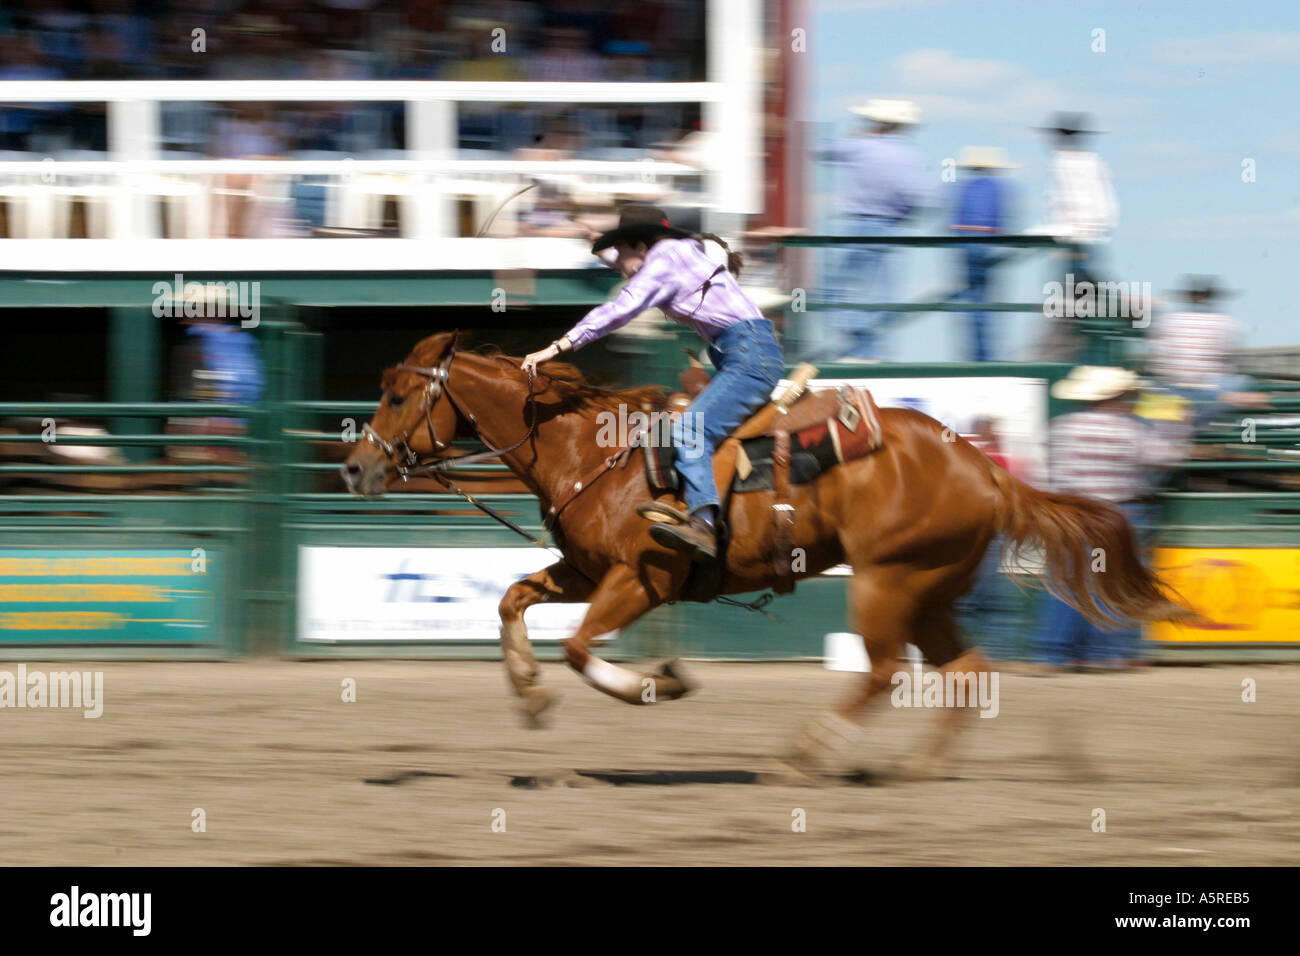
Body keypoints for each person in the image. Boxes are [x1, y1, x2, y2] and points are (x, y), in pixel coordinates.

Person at [522, 204, 783, 567]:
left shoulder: (662, 261)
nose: (624, 269)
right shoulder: (672, 253)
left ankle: (704, 524)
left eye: (624, 251)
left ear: (640, 245)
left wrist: (558, 346)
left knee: (690, 430)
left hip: (747, 354)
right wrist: (602, 245)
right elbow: (628, 264)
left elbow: (622, 307)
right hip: (746, 351)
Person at [1032, 366, 1179, 671]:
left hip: (1074, 514)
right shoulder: (1129, 428)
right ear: (1115, 397)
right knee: (1110, 581)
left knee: (1068, 582)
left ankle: (1056, 652)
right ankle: (1107, 652)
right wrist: (1169, 422)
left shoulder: (1063, 426)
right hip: (1116, 514)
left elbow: (1053, 474)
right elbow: (1164, 457)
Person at [818, 99, 929, 361]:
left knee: (837, 288)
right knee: (880, 291)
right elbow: (920, 196)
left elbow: (824, 151)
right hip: (889, 227)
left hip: (855, 224)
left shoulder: (860, 146)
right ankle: (871, 352)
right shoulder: (909, 155)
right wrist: (902, 215)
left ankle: (855, 348)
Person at [1031, 113, 1119, 362]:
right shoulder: (1092, 162)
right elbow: (1102, 204)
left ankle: (1070, 355)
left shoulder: (1065, 163)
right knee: (1080, 300)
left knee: (1070, 300)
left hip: (1075, 240)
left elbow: (1069, 204)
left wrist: (1072, 237)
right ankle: (1081, 353)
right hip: (1085, 239)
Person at [1147, 276, 1264, 434]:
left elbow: (1157, 362)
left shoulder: (1166, 321)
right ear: (1211, 298)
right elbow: (1229, 364)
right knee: (1242, 382)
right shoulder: (1228, 323)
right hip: (1209, 394)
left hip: (1170, 391)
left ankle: (1187, 423)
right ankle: (1205, 426)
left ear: (1187, 297)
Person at [950, 147, 1017, 362]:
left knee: (973, 301)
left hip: (968, 243)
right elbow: (1002, 218)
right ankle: (986, 354)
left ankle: (977, 354)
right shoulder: (999, 187)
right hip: (990, 243)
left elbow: (957, 219)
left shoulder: (963, 187)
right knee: (987, 301)